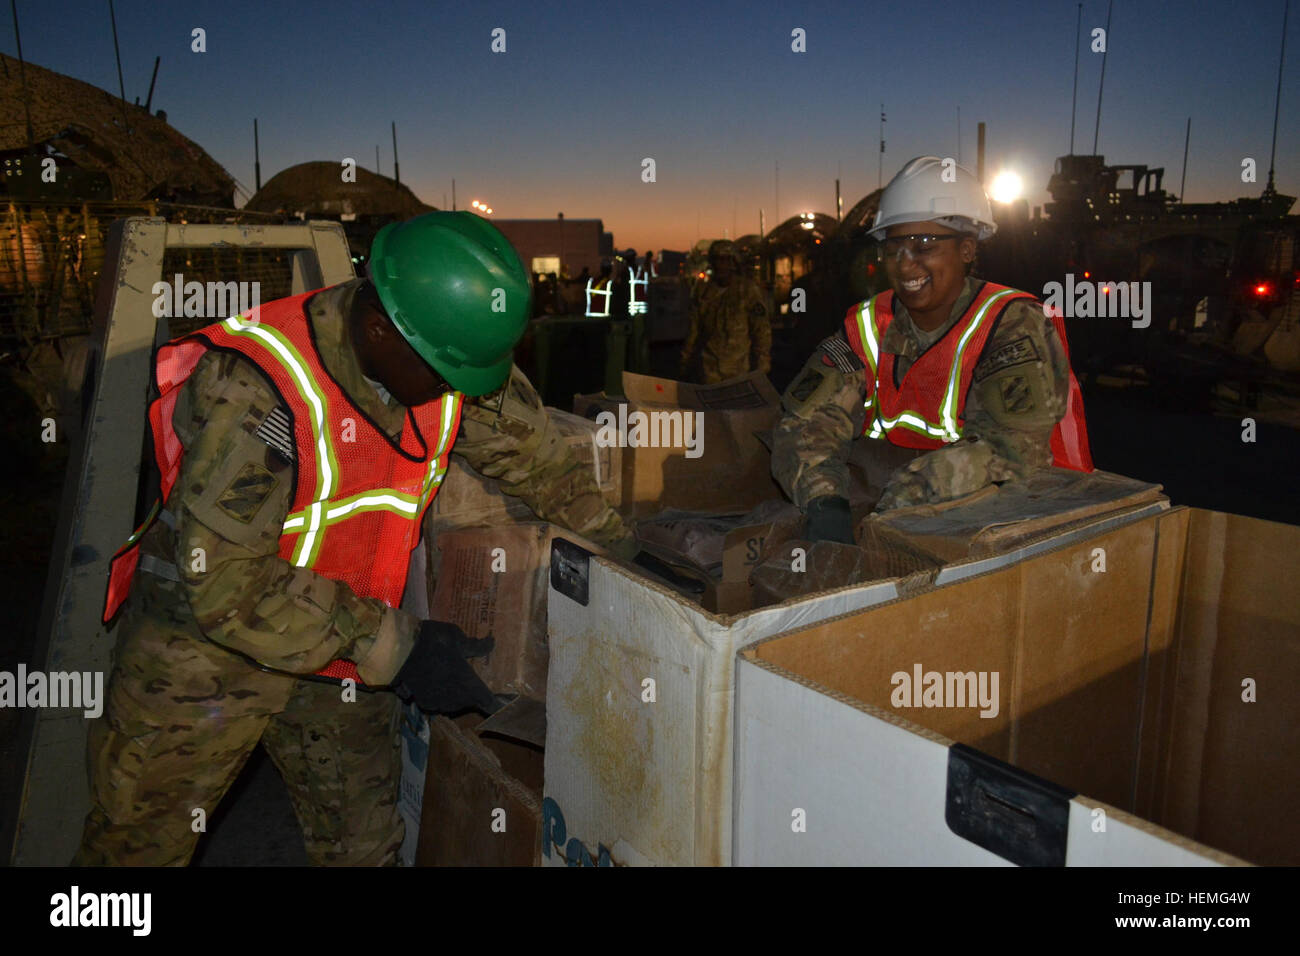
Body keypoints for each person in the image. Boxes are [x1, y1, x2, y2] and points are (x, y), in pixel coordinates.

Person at [78, 211, 633, 866]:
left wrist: (623, 555)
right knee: (132, 857)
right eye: (445, 372)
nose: (458, 390)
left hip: (337, 649)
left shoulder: (439, 357)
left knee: (363, 848)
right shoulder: (258, 392)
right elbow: (224, 584)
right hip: (203, 655)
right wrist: (400, 645)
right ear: (379, 328)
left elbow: (535, 455)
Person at [772, 156, 1092, 543]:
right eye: (894, 247)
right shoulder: (866, 324)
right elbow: (806, 423)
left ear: (968, 250)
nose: (905, 266)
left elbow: (1011, 449)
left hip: (1037, 518)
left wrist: (900, 502)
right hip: (926, 510)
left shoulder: (1012, 322)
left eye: (924, 244)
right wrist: (826, 506)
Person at [679, 239, 772, 383]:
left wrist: (762, 365)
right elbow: (693, 330)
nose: (721, 265)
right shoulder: (703, 292)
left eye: (725, 260)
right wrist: (685, 362)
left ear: (733, 263)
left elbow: (761, 330)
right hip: (708, 372)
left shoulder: (748, 291)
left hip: (739, 371)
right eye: (717, 260)